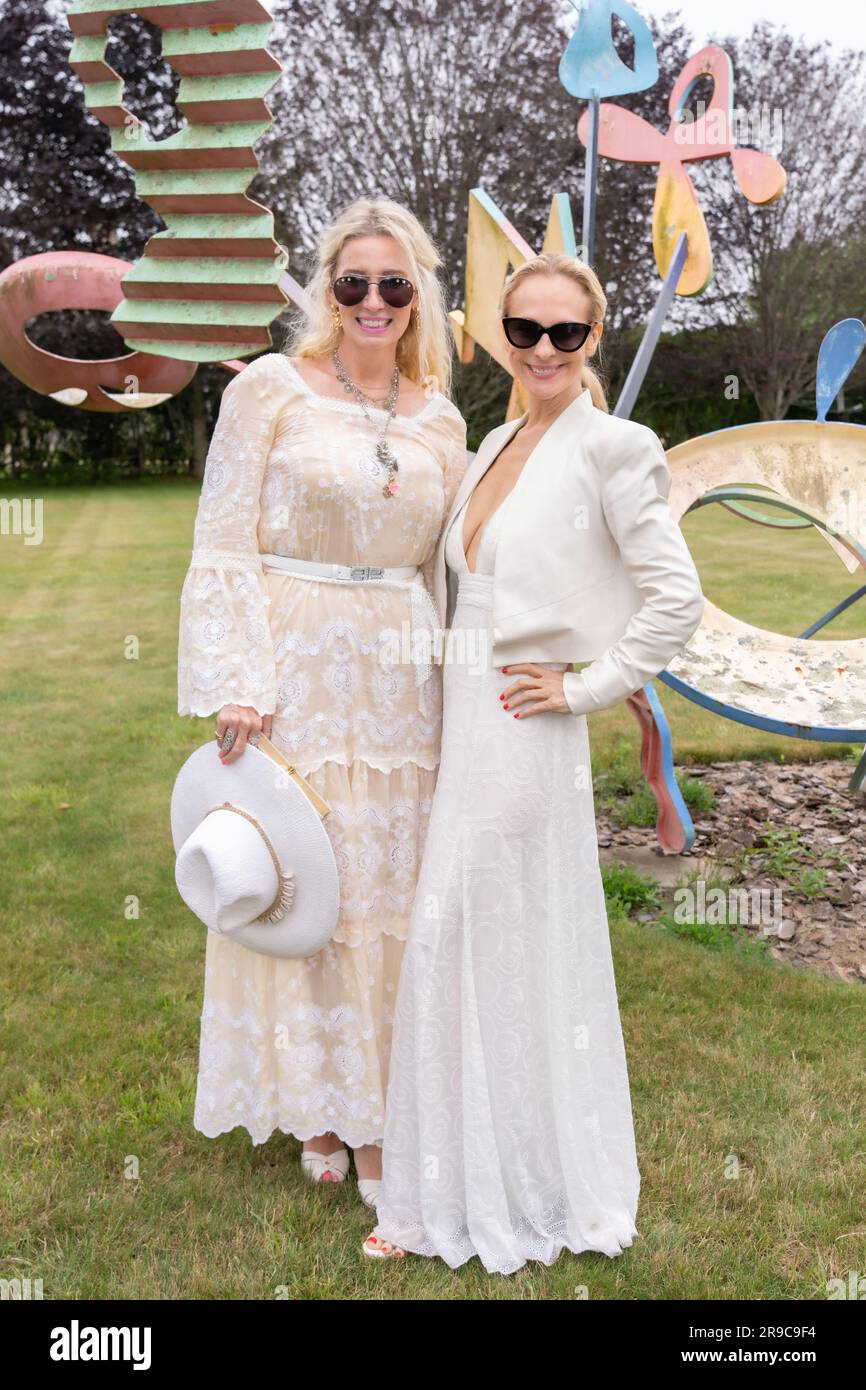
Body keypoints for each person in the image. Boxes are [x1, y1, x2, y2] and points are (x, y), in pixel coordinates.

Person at [363, 251, 704, 1271]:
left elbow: (672, 597)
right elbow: (463, 589)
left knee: (451, 935)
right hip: (466, 712)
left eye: (565, 332)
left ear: (592, 338)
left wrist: (586, 686)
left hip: (525, 720)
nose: (544, 349)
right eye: (525, 330)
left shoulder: (615, 445)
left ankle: (484, 1196)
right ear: (498, 338)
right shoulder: (498, 439)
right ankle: (470, 1179)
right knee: (480, 947)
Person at [176, 198, 467, 1205]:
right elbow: (223, 539)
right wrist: (239, 681)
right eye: (353, 283)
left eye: (394, 284)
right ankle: (321, 1103)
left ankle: (384, 1105)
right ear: (326, 291)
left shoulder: (440, 416)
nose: (373, 301)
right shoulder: (268, 390)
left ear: (418, 292)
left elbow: (452, 568)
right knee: (315, 881)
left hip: (402, 677)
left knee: (392, 889)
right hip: (296, 670)